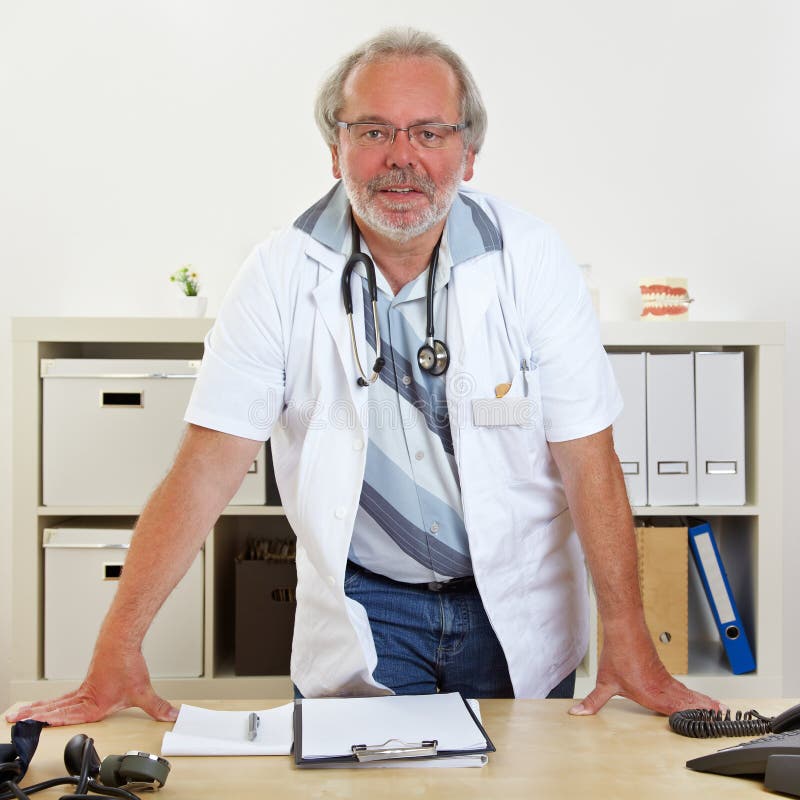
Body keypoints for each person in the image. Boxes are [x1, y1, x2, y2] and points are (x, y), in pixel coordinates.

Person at [8, 28, 718, 727]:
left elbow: (588, 457)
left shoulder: (529, 259)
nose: (401, 158)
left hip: (516, 597)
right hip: (368, 602)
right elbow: (204, 470)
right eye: (373, 131)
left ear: (468, 154)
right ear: (335, 150)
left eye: (429, 133)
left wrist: (628, 637)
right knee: (357, 780)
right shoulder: (279, 274)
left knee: (523, 777)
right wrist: (117, 647)